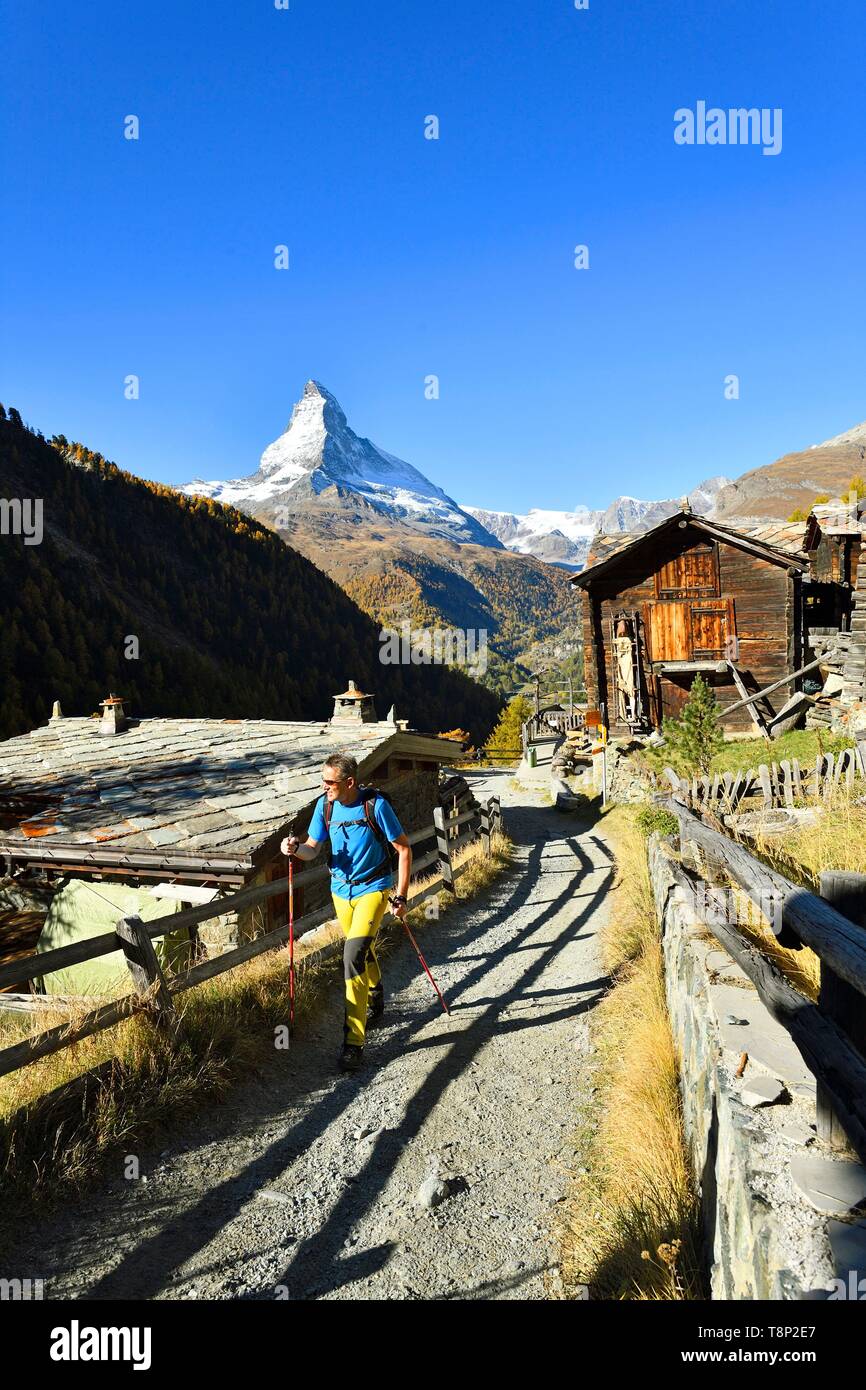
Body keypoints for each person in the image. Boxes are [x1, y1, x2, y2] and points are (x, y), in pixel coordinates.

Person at [280, 752, 412, 1073]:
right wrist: (295, 850)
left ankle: (353, 1043)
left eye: (330, 782)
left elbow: (404, 848)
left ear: (349, 782)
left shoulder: (376, 806)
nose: (324, 787)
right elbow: (313, 847)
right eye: (323, 781)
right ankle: (377, 991)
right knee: (359, 948)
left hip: (374, 889)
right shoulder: (324, 806)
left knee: (352, 954)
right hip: (340, 891)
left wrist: (402, 896)